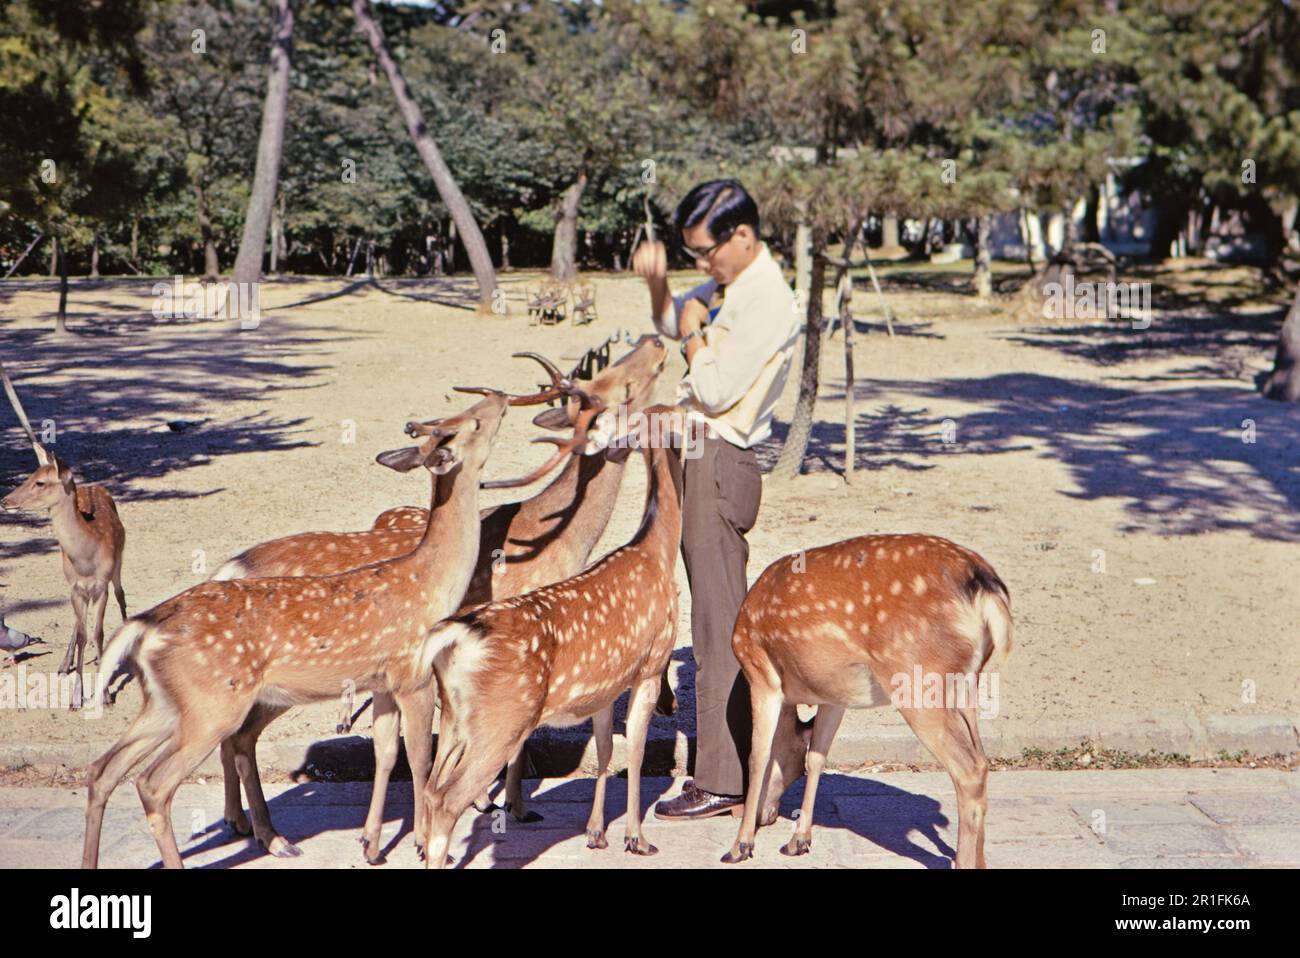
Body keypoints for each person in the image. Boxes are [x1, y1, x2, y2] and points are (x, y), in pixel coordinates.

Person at [632, 179, 801, 819]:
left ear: (743, 237)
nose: (700, 267)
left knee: (717, 629)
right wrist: (663, 294)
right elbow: (675, 319)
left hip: (719, 458)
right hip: (698, 456)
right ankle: (741, 768)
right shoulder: (736, 285)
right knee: (713, 619)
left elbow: (718, 386)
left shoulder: (769, 302)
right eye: (691, 256)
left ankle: (725, 781)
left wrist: (695, 332)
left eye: (706, 254)